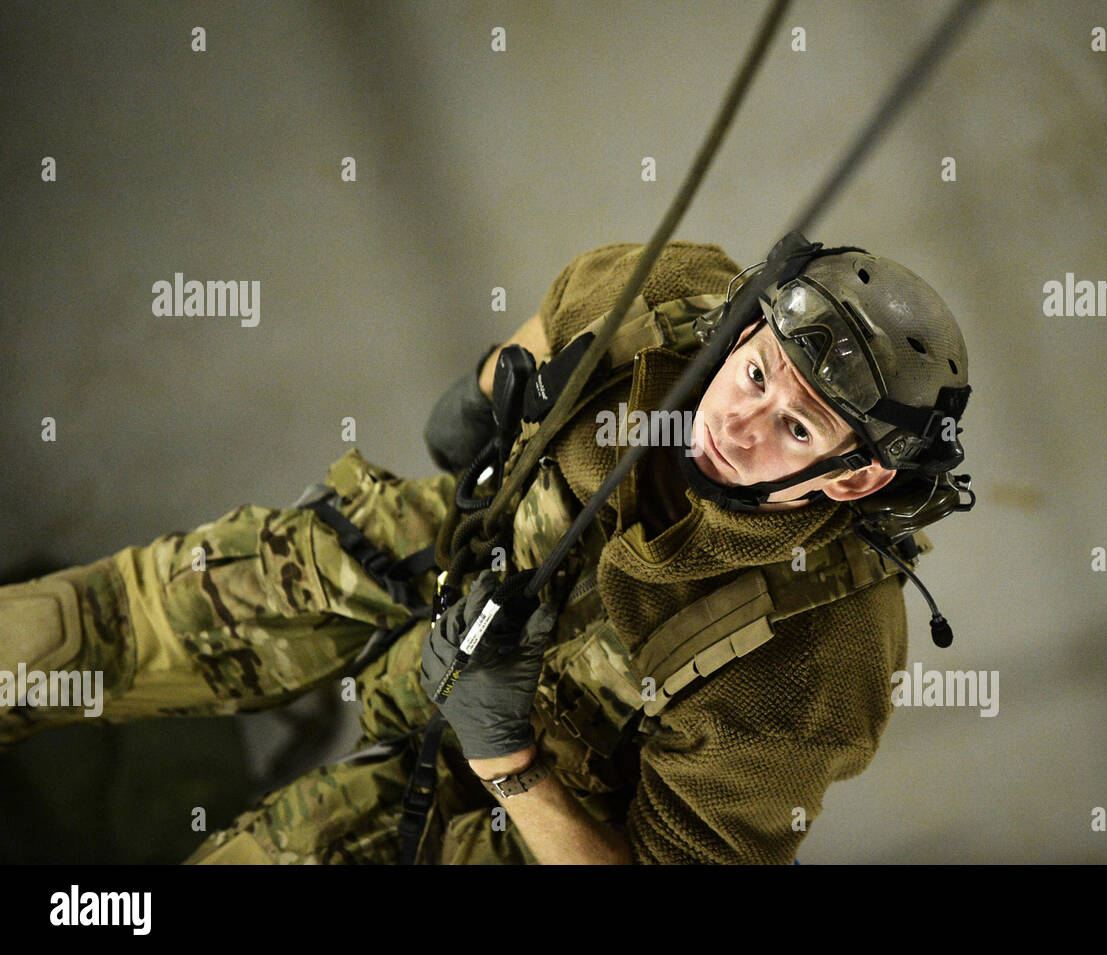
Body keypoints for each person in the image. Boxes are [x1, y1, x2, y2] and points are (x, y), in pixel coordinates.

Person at [0, 233, 973, 864]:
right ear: (746, 323)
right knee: (60, 638)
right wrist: (485, 398)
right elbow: (542, 334)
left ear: (855, 479)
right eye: (754, 371)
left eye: (798, 429)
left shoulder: (821, 656)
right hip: (442, 556)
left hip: (514, 796)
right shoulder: (668, 297)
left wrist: (507, 756)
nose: (740, 422)